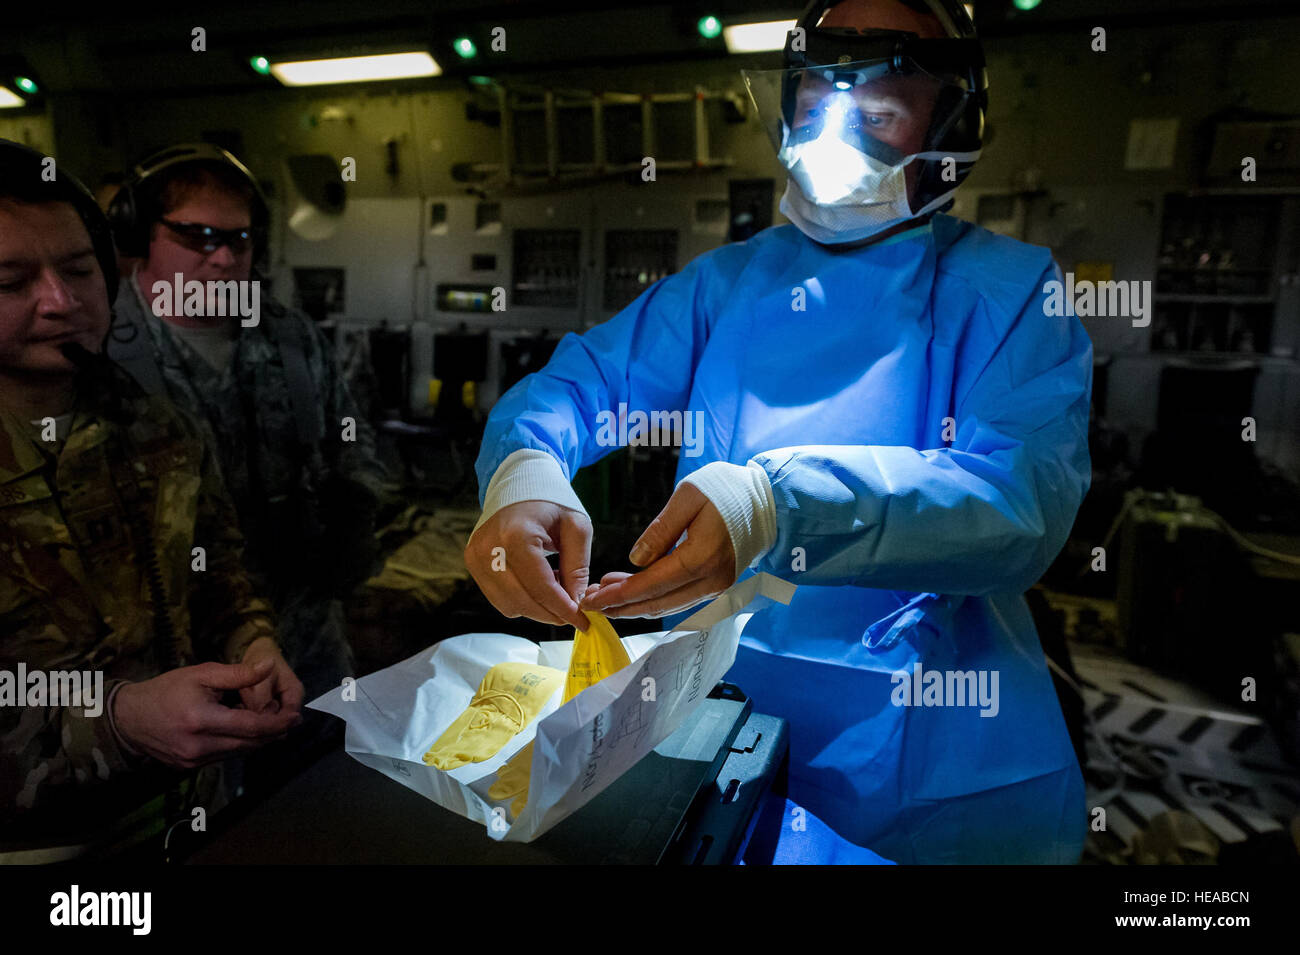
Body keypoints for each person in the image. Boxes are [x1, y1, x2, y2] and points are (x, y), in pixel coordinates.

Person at [464, 0, 1093, 864]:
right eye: (818, 104)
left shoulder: (1010, 293)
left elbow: (1020, 503)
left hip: (933, 753)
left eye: (877, 112)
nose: (839, 133)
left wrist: (779, 503)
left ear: (952, 121)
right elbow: (581, 386)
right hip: (720, 709)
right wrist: (523, 475)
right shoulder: (729, 285)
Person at [0, 139, 302, 854]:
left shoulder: (158, 426)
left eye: (80, 270)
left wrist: (252, 640)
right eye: (11, 282)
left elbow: (220, 572)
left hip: (184, 812)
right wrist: (122, 720)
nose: (61, 301)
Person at [105, 144, 387, 705]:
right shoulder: (103, 349)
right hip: (169, 649)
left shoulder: (291, 337)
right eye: (197, 237)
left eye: (239, 238)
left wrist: (355, 510)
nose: (224, 258)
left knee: (320, 780)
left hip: (307, 634)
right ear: (142, 235)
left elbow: (357, 447)